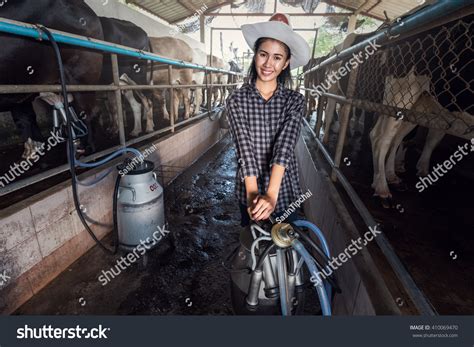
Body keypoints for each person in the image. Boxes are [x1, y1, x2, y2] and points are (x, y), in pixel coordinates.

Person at [226, 13, 311, 228]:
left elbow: (284, 148)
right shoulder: (236, 100)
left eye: (277, 57)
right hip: (248, 186)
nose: (268, 63)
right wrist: (253, 196)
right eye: (263, 54)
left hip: (282, 190)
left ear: (286, 63)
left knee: (285, 246)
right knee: (254, 244)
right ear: (255, 55)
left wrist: (271, 196)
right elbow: (244, 149)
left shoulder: (295, 101)